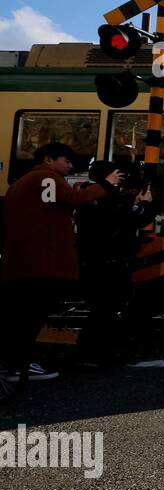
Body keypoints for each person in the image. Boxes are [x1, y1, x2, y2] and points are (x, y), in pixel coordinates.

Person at [1, 143, 120, 385]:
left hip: (23, 262)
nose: (70, 166)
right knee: (31, 315)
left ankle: (14, 363)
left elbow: (58, 203)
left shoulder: (20, 183)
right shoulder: (45, 178)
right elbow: (74, 199)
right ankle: (19, 365)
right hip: (42, 263)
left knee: (21, 315)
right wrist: (106, 184)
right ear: (48, 159)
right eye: (66, 160)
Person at [75, 161, 157, 366]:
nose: (120, 177)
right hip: (108, 260)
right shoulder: (104, 197)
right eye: (116, 173)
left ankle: (94, 352)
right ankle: (93, 354)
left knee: (103, 308)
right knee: (105, 308)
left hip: (94, 259)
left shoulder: (90, 195)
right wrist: (144, 204)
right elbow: (128, 221)